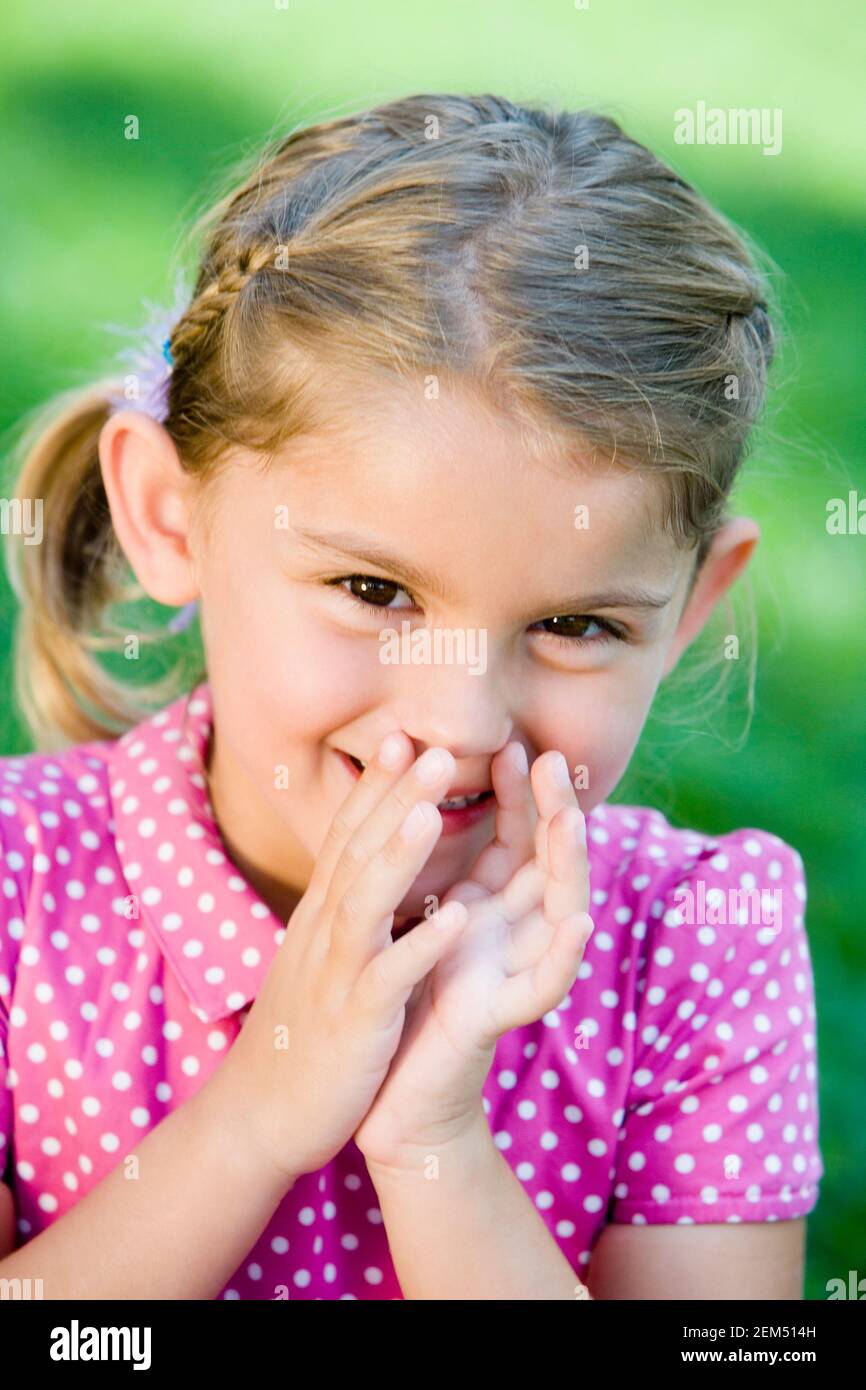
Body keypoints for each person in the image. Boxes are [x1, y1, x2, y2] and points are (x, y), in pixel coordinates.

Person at [0, 93, 822, 1300]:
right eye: (374, 589)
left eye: (573, 624)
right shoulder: (20, 890)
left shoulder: (693, 946)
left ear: (691, 606)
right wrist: (257, 1115)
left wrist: (434, 1145)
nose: (459, 724)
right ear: (171, 517)